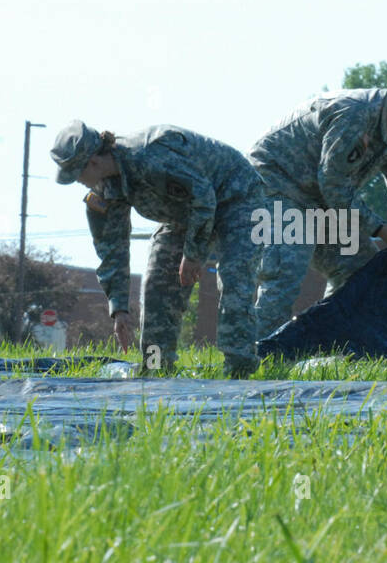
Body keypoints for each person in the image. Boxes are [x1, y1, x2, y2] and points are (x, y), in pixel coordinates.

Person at [250, 63, 387, 344]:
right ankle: (253, 358)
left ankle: (323, 346)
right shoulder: (355, 114)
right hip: (277, 187)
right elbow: (333, 183)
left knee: (359, 270)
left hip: (323, 202)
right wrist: (378, 227)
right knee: (286, 268)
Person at [51, 121, 264, 378]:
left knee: (234, 280)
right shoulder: (104, 190)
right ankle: (155, 372)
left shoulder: (151, 155)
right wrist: (119, 308)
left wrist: (193, 254)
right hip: (184, 217)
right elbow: (111, 248)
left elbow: (204, 196)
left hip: (238, 199)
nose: (78, 183)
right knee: (156, 290)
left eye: (77, 175)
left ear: (93, 163)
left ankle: (239, 373)